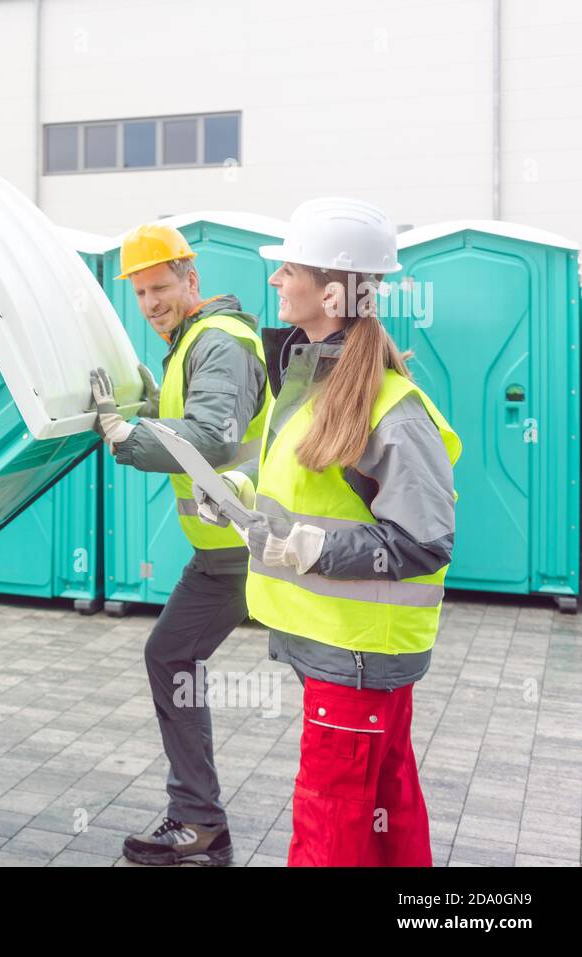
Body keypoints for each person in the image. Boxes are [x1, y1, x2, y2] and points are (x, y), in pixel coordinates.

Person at [195, 197, 460, 866]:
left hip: (360, 652)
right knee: (385, 804)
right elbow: (313, 496)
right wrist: (240, 498)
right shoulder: (314, 379)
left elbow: (424, 541)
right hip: (341, 647)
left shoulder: (391, 409)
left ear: (334, 289)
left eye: (289, 269)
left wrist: (317, 548)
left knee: (331, 816)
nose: (276, 281)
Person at [89, 223, 270, 866]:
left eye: (160, 287)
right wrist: (153, 392)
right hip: (226, 551)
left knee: (175, 657)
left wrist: (128, 436)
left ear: (192, 279)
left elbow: (214, 438)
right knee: (171, 656)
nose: (150, 304)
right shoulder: (193, 342)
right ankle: (199, 822)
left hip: (249, 546)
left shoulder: (217, 340)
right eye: (139, 294)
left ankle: (201, 821)